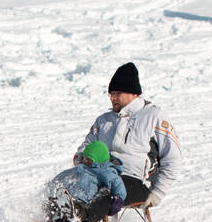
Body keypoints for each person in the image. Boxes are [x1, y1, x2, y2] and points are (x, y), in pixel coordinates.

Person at [75, 62, 181, 209]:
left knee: (106, 191)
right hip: (100, 173)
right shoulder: (104, 120)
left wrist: (159, 192)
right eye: (111, 94)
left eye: (117, 93)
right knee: (68, 183)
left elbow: (172, 159)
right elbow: (86, 146)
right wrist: (81, 158)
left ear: (134, 94)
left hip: (137, 182)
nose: (112, 98)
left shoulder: (154, 117)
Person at [21, 141, 127, 222]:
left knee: (67, 213)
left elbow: (118, 185)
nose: (85, 161)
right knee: (51, 207)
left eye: (89, 160)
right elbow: (64, 175)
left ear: (98, 160)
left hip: (82, 198)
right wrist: (52, 183)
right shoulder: (81, 167)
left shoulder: (106, 171)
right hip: (66, 195)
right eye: (85, 158)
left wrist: (118, 199)